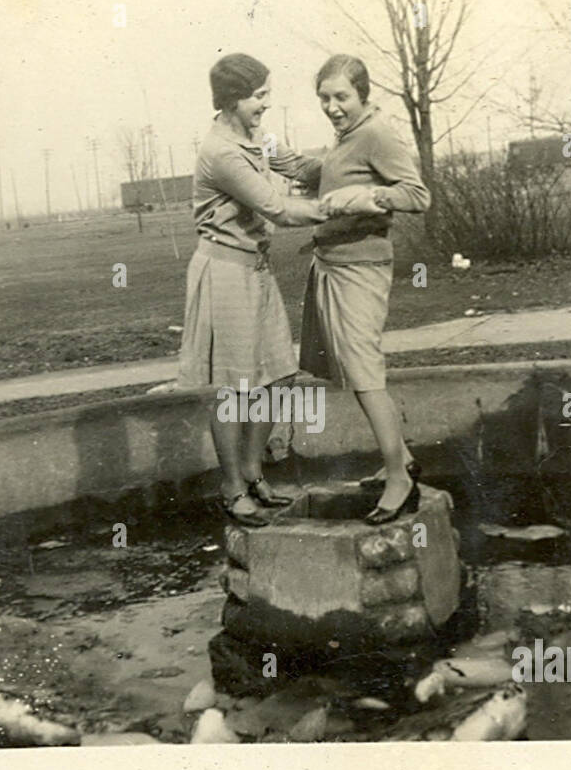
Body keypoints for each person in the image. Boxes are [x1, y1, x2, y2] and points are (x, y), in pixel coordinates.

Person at [177, 52, 325, 527]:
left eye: (266, 93)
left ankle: (255, 474)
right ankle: (232, 488)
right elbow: (277, 207)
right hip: (224, 273)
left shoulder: (258, 138)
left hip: (255, 271)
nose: (266, 103)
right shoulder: (220, 152)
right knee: (235, 390)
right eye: (258, 95)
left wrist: (353, 159)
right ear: (233, 98)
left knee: (280, 377)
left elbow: (299, 167)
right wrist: (346, 203)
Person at [300, 53, 430, 525]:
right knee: (358, 371)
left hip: (360, 267)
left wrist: (369, 197)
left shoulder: (376, 132)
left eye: (341, 97)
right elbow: (346, 171)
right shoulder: (349, 135)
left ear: (363, 94)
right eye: (324, 98)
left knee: (363, 371)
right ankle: (402, 458)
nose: (332, 106)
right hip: (335, 263)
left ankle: (400, 479)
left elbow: (418, 195)